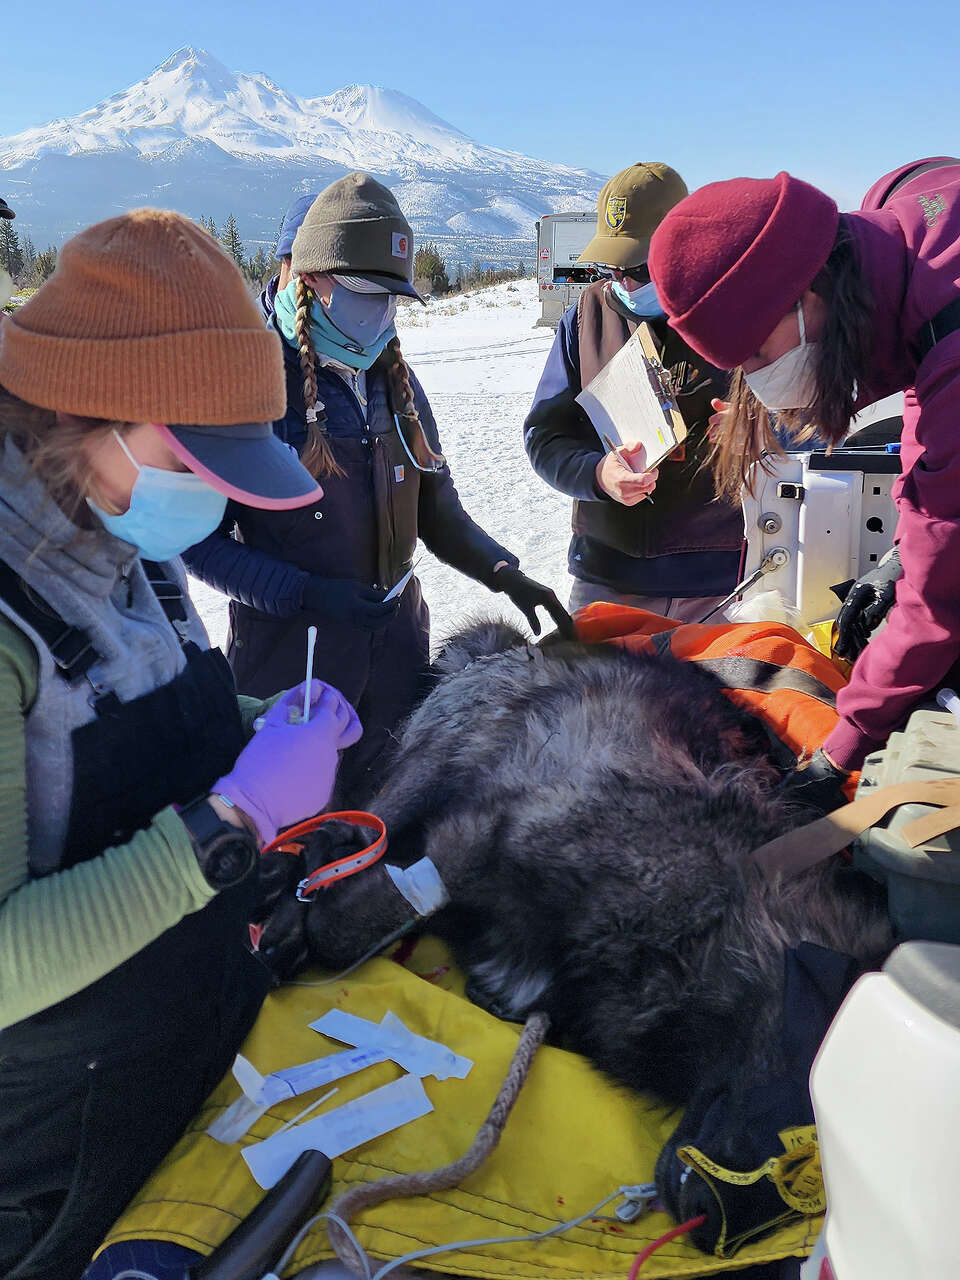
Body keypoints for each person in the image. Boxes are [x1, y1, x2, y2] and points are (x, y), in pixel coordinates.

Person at [0, 208, 362, 1280]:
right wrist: (234, 816)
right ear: (80, 408)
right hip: (55, 1149)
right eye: (190, 460)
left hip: (191, 1067)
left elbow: (109, 729)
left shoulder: (120, 539)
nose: (209, 498)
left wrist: (260, 735)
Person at [184, 172, 571, 801]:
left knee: (387, 823)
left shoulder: (394, 380)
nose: (383, 314)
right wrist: (305, 593)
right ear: (311, 278)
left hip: (394, 655)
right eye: (368, 294)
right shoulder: (249, 385)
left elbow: (436, 508)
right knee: (290, 838)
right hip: (290, 670)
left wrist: (505, 572)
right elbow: (195, 542)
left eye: (395, 297)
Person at [647, 159, 960, 781]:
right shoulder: (896, 216)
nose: (762, 383)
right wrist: (904, 550)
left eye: (760, 352)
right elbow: (927, 418)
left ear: (807, 294)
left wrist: (842, 748)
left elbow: (938, 603)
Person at [523, 162, 743, 619]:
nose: (622, 282)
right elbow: (545, 437)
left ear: (686, 247)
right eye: (610, 266)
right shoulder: (585, 319)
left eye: (639, 268)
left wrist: (756, 430)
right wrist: (597, 475)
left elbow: (813, 426)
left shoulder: (736, 315)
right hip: (607, 577)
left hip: (717, 583)